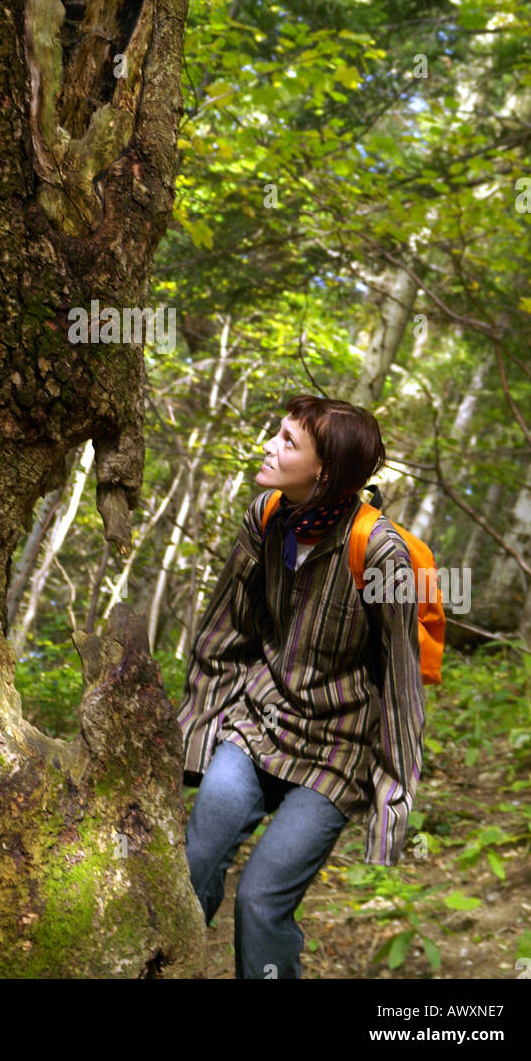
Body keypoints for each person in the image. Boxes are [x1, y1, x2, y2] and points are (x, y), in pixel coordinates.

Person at [177, 393, 425, 979]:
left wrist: (390, 810)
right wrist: (193, 737)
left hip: (335, 754)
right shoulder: (266, 515)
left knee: (259, 903)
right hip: (256, 726)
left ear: (325, 471)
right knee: (192, 865)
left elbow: (402, 686)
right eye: (277, 433)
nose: (269, 445)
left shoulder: (380, 551)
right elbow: (225, 630)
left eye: (288, 441)